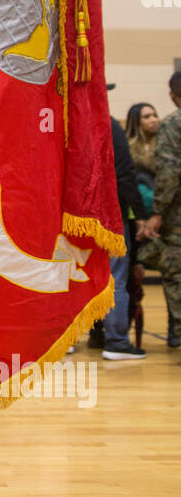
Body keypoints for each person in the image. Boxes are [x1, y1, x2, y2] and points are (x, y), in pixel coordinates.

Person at [127, 100, 178, 347]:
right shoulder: (129, 148)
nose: (154, 119)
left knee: (173, 273)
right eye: (147, 116)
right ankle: (116, 333)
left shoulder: (167, 143)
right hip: (139, 221)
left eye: (155, 114)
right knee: (130, 276)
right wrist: (142, 219)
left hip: (167, 219)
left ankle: (174, 330)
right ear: (137, 121)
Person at [102, 115, 149, 359]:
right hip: (109, 212)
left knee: (71, 275)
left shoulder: (62, 119)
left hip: (72, 213)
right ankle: (116, 342)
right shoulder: (108, 124)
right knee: (115, 277)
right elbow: (124, 173)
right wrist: (139, 213)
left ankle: (70, 339)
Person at [142, 72, 181, 353]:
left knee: (176, 272)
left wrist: (157, 212)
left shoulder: (172, 125)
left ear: (172, 96)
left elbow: (169, 173)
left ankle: (178, 333)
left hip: (177, 215)